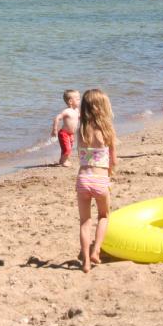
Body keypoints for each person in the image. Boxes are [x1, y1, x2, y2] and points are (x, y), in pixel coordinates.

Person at [75, 89, 117, 273]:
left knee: (85, 221)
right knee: (104, 216)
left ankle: (85, 262)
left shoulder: (81, 130)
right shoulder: (107, 131)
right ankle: (96, 250)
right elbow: (113, 159)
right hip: (100, 179)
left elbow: (80, 155)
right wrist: (110, 175)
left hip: (83, 179)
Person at [51, 89, 81, 167]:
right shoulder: (67, 111)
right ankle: (63, 161)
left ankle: (63, 159)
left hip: (71, 134)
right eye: (78, 99)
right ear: (70, 101)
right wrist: (54, 129)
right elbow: (57, 118)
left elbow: (80, 118)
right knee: (67, 149)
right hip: (64, 133)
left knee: (68, 148)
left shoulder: (77, 110)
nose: (79, 100)